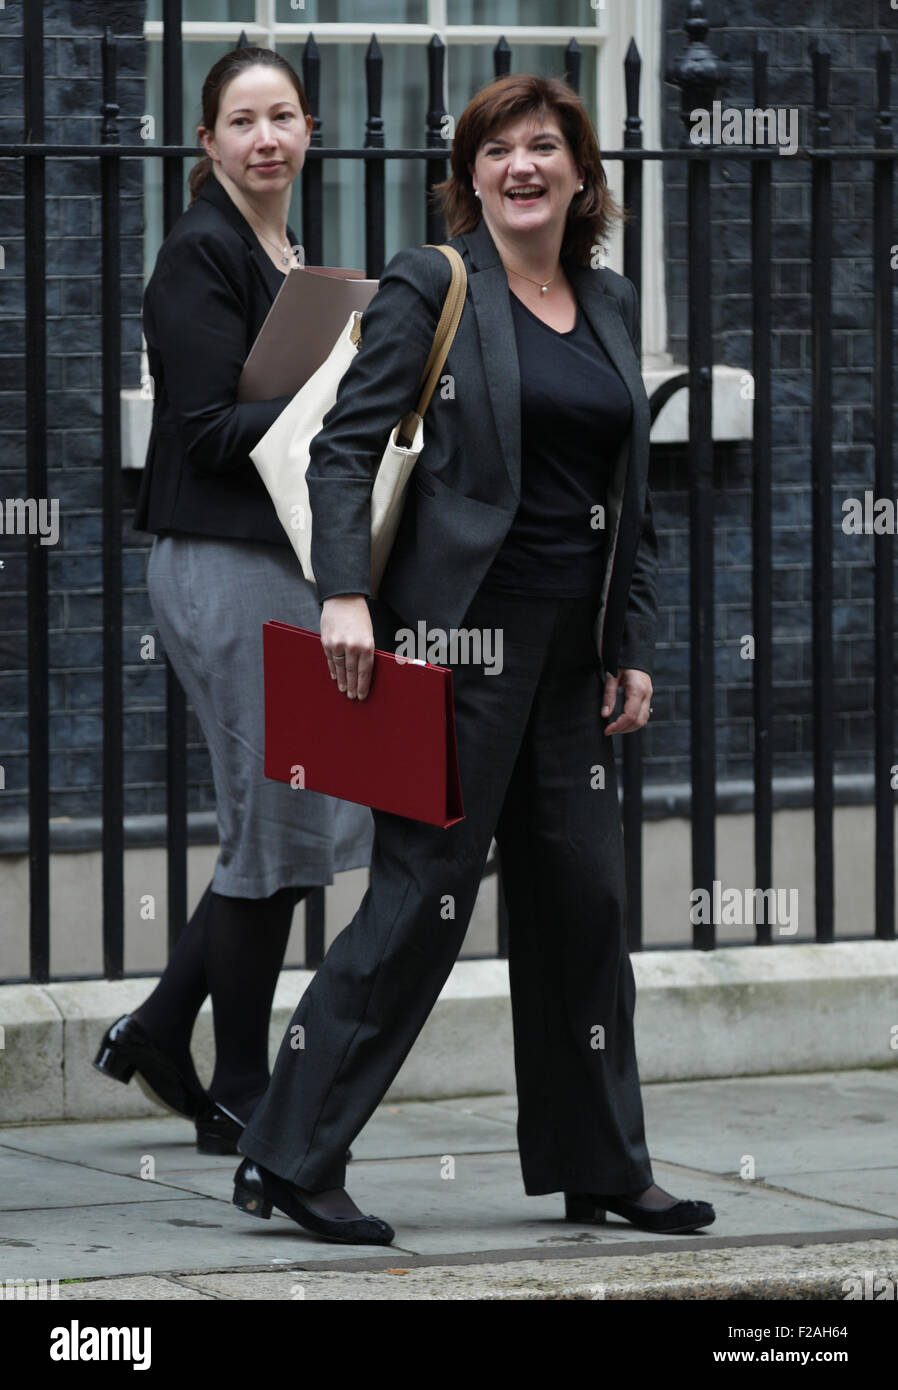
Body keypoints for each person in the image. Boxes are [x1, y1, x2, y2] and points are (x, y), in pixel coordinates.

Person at [231, 73, 715, 1244]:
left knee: (585, 908)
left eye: (544, 146)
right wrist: (344, 594)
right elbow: (344, 449)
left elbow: (630, 499)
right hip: (455, 650)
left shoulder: (604, 302)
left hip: (570, 655)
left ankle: (599, 1161)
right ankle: (287, 1157)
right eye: (499, 149)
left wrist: (628, 643)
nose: (522, 166)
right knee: (421, 900)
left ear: (581, 174)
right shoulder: (435, 284)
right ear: (473, 176)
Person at [93, 46, 373, 1155]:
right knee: (277, 821)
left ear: (308, 132)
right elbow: (206, 431)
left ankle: (168, 1033)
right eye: (243, 121)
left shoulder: (281, 251)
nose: (267, 138)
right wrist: (343, 398)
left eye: (284, 117)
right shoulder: (197, 256)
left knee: (291, 815)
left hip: (277, 564)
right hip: (220, 561)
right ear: (207, 143)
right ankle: (238, 1082)